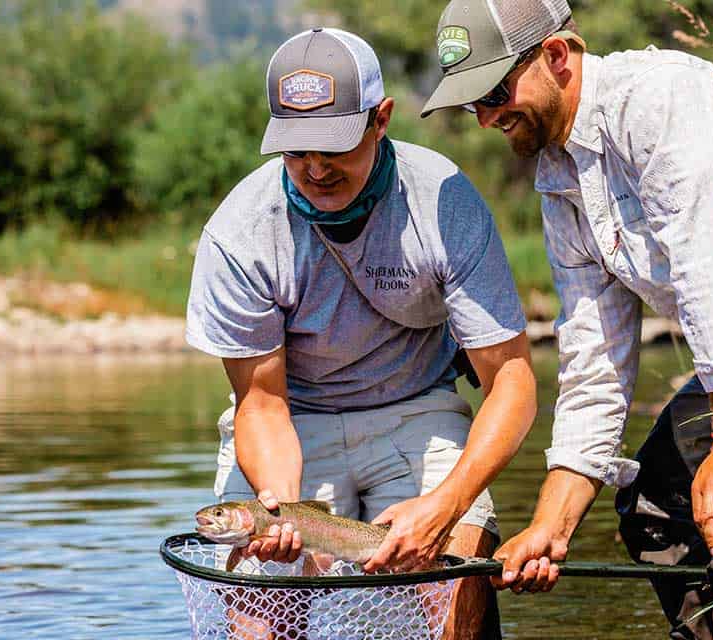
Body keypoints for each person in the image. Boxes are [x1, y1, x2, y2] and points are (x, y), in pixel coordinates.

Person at [421, 0, 713, 637]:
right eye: (469, 103)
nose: (485, 118)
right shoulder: (559, 181)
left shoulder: (661, 100)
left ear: (557, 56)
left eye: (495, 91)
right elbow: (594, 365)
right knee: (654, 504)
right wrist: (551, 525)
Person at [185, 26, 537, 639]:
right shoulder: (239, 231)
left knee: (455, 583)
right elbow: (262, 406)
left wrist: (445, 506)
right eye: (296, 151)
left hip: (417, 411)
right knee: (262, 615)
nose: (316, 169)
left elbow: (510, 380)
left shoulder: (443, 201)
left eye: (334, 145)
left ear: (381, 120)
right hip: (296, 421)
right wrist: (278, 511)